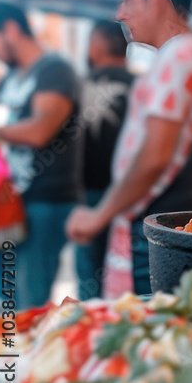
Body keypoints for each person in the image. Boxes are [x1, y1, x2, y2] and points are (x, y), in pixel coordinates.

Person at [65, 0, 192, 298]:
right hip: (173, 232)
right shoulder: (187, 54)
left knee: (147, 340)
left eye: (128, 0)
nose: (120, 14)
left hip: (158, 234)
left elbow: (154, 157)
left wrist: (98, 216)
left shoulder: (179, 57)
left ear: (158, 0)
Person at [0, 2, 82, 308]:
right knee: (5, 299)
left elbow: (40, 130)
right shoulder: (9, 77)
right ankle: (7, 356)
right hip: (9, 204)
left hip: (44, 202)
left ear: (11, 30)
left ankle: (23, 357)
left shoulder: (55, 69)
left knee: (27, 303)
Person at [75, 21, 134, 300]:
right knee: (128, 271)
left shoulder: (77, 86)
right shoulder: (143, 86)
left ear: (96, 46)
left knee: (88, 274)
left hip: (85, 192)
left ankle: (85, 325)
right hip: (131, 194)